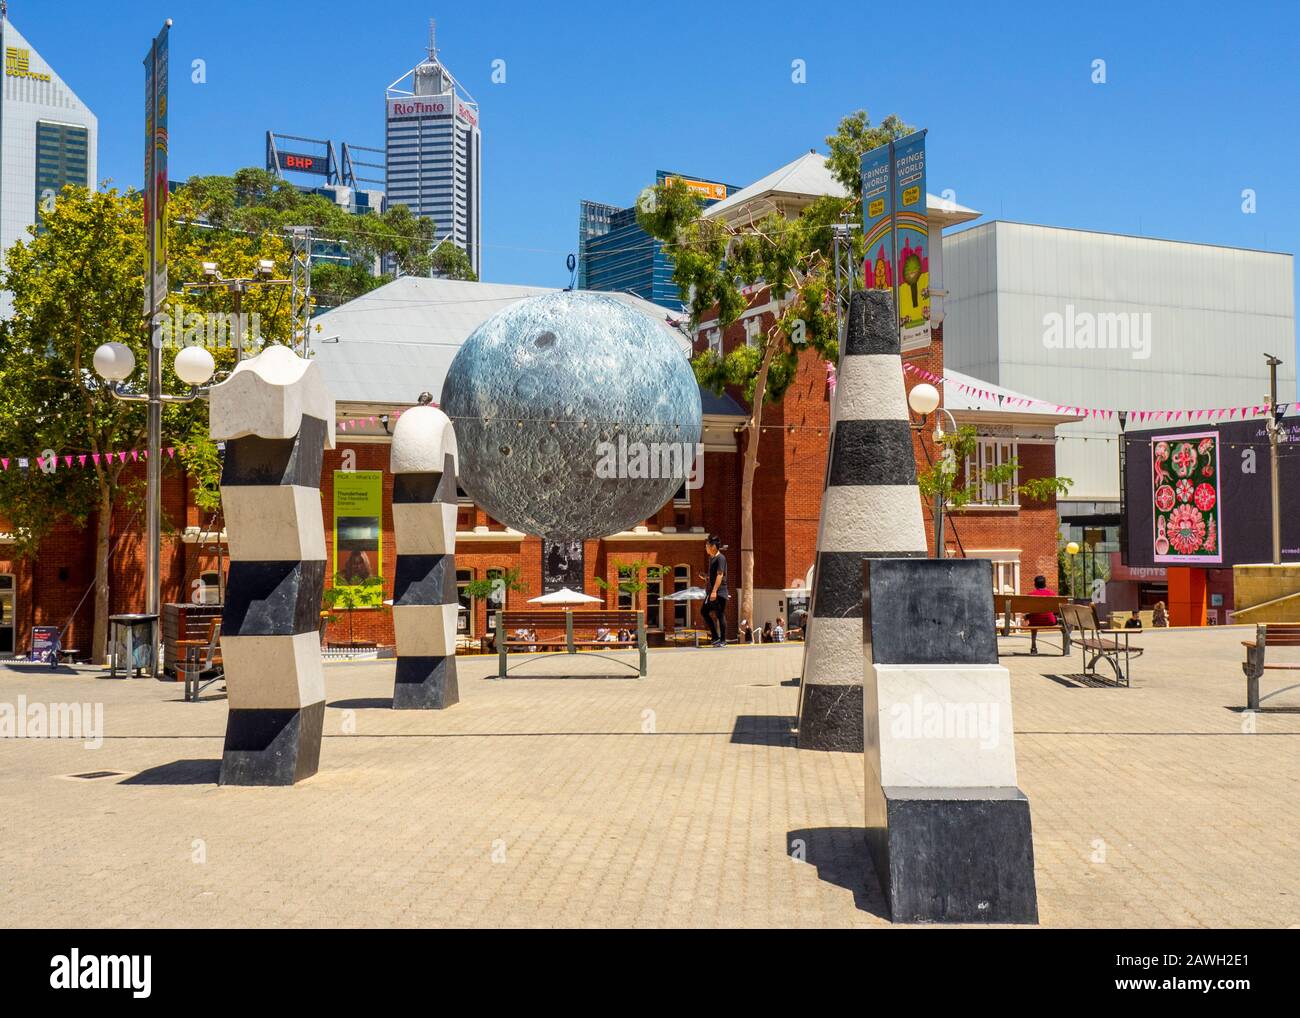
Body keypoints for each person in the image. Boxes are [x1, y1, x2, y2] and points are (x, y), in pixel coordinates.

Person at [700, 535, 729, 647]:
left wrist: (714, 591)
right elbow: (714, 576)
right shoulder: (712, 559)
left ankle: (722, 640)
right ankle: (716, 637)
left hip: (719, 592)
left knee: (720, 615)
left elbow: (720, 575)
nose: (706, 548)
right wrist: (706, 577)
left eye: (707, 546)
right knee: (704, 611)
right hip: (712, 591)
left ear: (713, 547)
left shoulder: (721, 558)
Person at [1024, 574, 1059, 655]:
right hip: (1050, 621)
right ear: (1045, 584)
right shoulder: (1052, 594)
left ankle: (1033, 647)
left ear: (1035, 584)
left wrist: (1027, 616)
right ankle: (1066, 648)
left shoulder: (1030, 595)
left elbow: (1029, 610)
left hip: (1034, 622)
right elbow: (1056, 611)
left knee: (1033, 621)